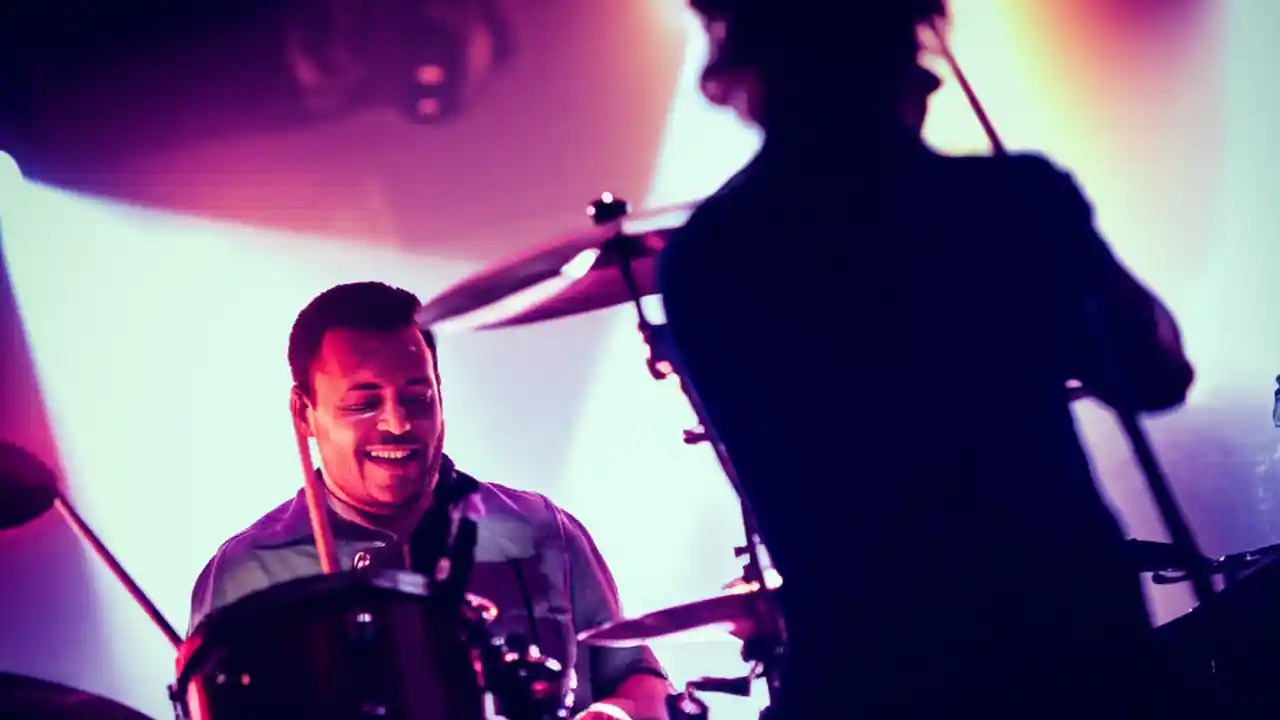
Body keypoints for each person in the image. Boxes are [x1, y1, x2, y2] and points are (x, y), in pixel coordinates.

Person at [657, 1, 1203, 717]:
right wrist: (1057, 237)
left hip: (872, 671)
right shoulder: (1012, 204)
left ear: (749, 72)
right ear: (900, 57)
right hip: (1071, 651)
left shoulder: (705, 262)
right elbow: (1157, 375)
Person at [188, 281, 671, 720]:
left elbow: (641, 680)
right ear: (304, 412)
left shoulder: (544, 529)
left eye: (418, 398)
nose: (397, 424)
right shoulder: (244, 572)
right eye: (363, 404)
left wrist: (616, 713)